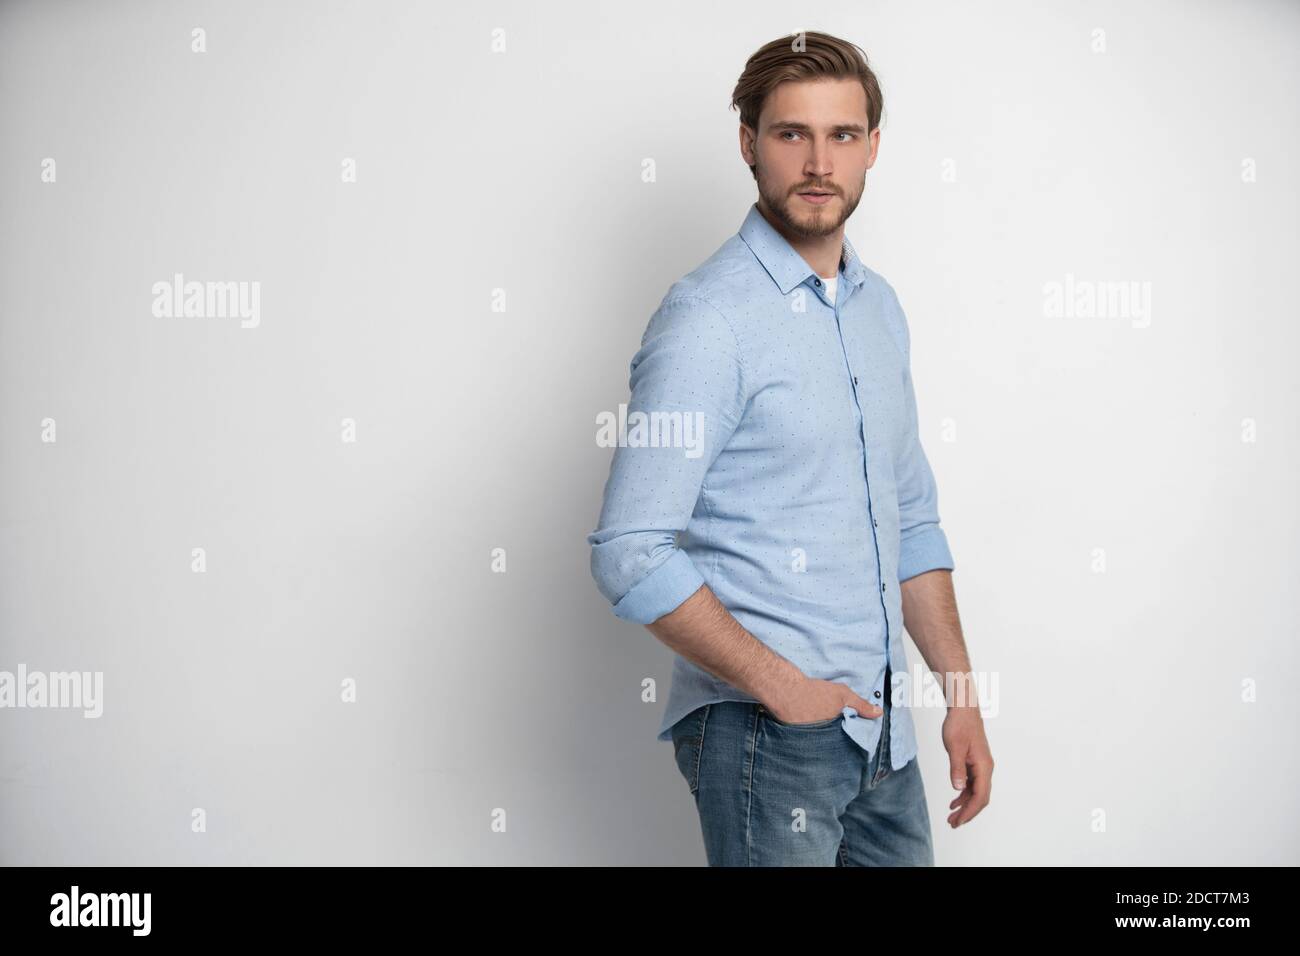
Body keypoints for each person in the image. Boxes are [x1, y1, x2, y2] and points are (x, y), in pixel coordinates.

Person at [587, 30, 993, 866]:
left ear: (873, 147)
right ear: (749, 145)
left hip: (885, 737)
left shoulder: (879, 311)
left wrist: (959, 696)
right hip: (769, 737)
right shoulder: (709, 320)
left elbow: (912, 522)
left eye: (842, 135)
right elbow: (629, 550)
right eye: (790, 133)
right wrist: (783, 690)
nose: (818, 161)